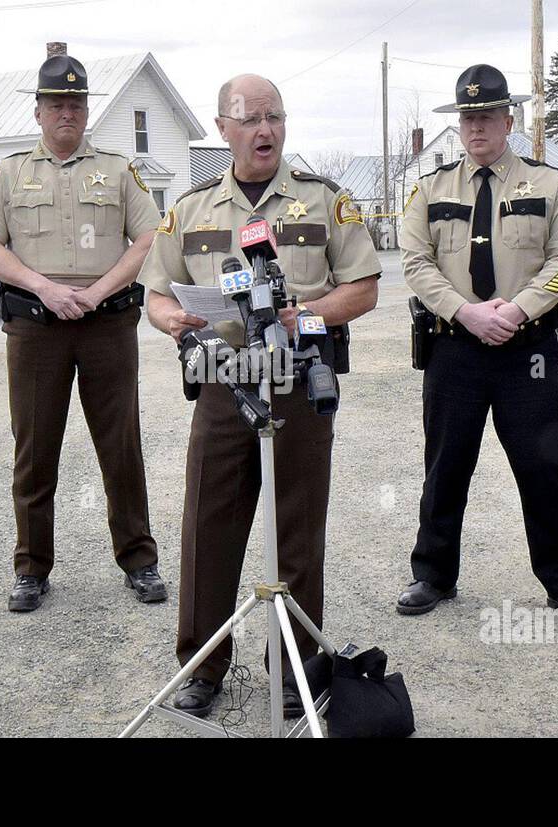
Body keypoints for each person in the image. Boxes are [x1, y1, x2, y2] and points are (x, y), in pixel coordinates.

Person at [139, 73, 380, 718]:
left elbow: (363, 286)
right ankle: (201, 666)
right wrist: (171, 320)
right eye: (249, 119)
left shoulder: (323, 200)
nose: (265, 130)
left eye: (274, 117)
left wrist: (309, 315)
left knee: (297, 526)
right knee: (208, 523)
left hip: (298, 383)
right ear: (223, 128)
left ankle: (296, 669)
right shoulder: (189, 210)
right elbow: (156, 291)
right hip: (223, 386)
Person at [397, 64, 558, 623]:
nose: (476, 127)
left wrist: (516, 310)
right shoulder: (430, 189)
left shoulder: (549, 186)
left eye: (486, 115)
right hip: (454, 348)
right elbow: (415, 263)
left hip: (525, 349)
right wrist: (464, 311)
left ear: (508, 119)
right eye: (467, 117)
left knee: (544, 468)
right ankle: (433, 576)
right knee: (446, 466)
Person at [0, 52, 166, 613]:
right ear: (38, 111)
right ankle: (31, 567)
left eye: (77, 103)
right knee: (34, 448)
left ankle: (139, 559)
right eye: (57, 103)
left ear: (87, 111)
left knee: (121, 443)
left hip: (106, 323)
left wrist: (98, 291)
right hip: (36, 327)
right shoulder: (10, 174)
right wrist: (46, 289)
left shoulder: (117, 170)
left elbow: (150, 236)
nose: (68, 112)